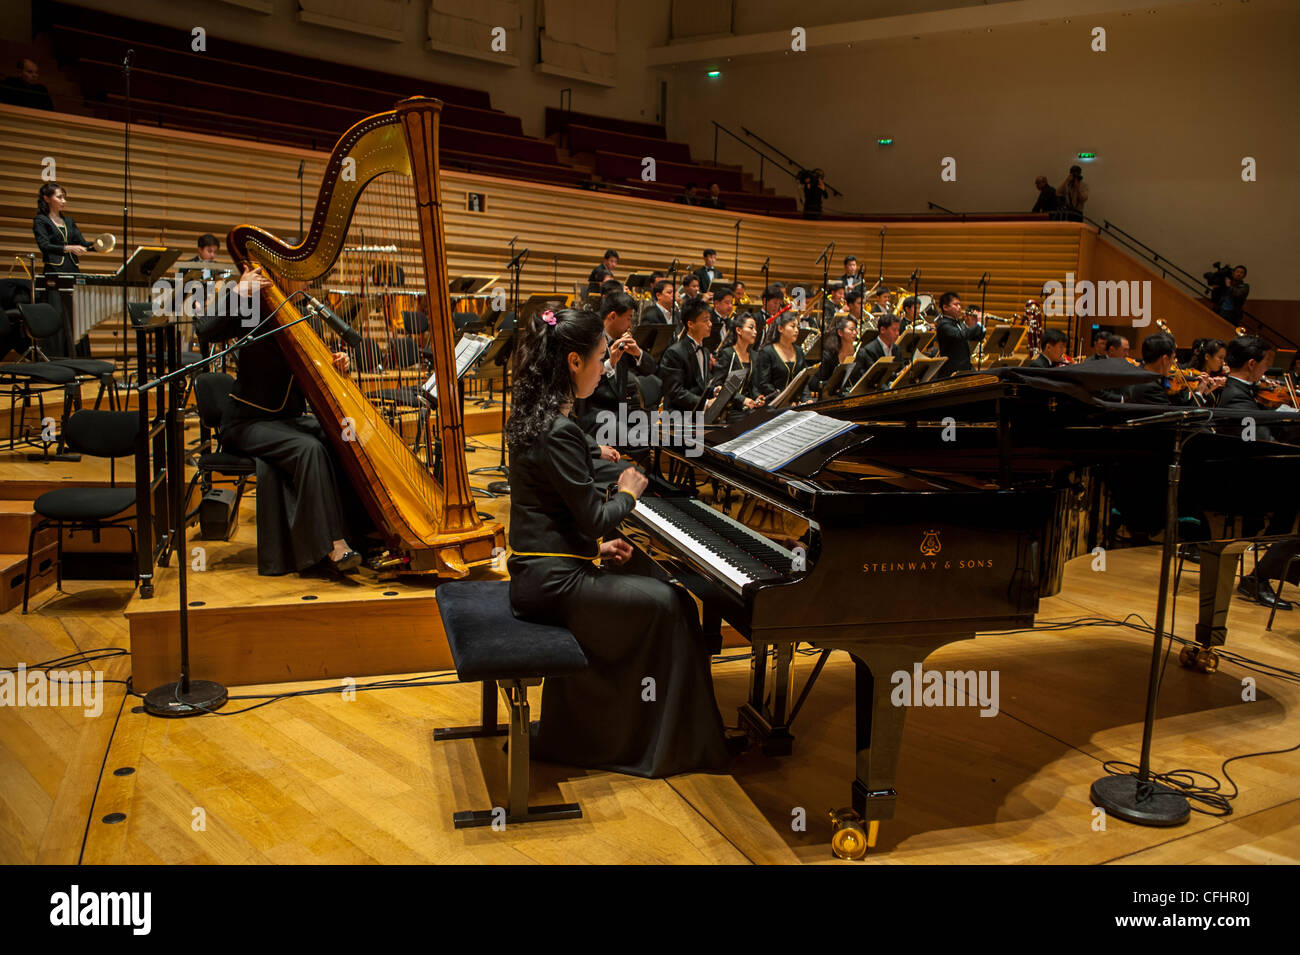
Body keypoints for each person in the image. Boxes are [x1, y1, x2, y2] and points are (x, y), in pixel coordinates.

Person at [504, 305, 733, 777]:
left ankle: (635, 733)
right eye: (599, 357)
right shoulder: (560, 429)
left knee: (651, 586)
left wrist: (595, 550)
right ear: (573, 362)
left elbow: (551, 514)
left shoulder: (535, 415)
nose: (603, 366)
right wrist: (628, 493)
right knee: (672, 604)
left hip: (539, 569)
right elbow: (592, 516)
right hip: (553, 584)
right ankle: (667, 745)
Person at [196, 268, 368, 576]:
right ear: (280, 274)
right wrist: (238, 291)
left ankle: (365, 537)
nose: (307, 279)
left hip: (286, 419)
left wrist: (337, 364)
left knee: (346, 436)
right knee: (309, 449)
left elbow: (313, 369)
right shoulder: (253, 308)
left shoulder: (304, 314)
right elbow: (205, 329)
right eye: (299, 273)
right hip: (246, 423)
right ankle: (330, 545)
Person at [1217, 336, 1297, 610]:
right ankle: (1260, 576)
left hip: (1250, 473)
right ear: (1251, 364)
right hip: (1241, 482)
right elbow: (1258, 440)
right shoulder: (1236, 398)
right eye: (1265, 364)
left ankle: (1274, 568)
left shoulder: (1242, 392)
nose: (1266, 371)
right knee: (1294, 502)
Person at [574, 290, 657, 445]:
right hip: (596, 413)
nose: (630, 325)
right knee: (639, 440)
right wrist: (609, 364)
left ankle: (652, 469)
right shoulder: (590, 341)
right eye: (628, 318)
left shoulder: (622, 341)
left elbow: (651, 369)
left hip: (623, 410)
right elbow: (584, 387)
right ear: (612, 316)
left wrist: (638, 353)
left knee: (659, 434)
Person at [658, 298, 718, 412]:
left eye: (710, 320)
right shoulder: (674, 353)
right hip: (678, 414)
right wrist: (705, 403)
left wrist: (714, 390)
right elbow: (675, 392)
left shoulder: (705, 351)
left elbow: (702, 384)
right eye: (705, 320)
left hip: (697, 411)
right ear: (690, 324)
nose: (710, 324)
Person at [1121, 332, 1212, 404]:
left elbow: (1180, 405)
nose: (1174, 363)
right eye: (1173, 358)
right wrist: (1199, 393)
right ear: (1165, 359)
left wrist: (1202, 392)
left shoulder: (1145, 377)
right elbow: (1178, 419)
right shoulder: (1149, 388)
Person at [33, 182, 95, 275]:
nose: (64, 201)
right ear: (47, 199)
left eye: (64, 198)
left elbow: (83, 243)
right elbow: (44, 246)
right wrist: (69, 248)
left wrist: (98, 244)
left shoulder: (69, 221)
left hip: (73, 268)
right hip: (54, 269)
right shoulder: (40, 220)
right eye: (59, 197)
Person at [709, 313, 766, 416]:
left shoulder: (754, 355)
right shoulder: (728, 354)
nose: (755, 332)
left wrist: (757, 397)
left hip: (747, 408)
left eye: (756, 329)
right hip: (729, 409)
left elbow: (753, 386)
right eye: (751, 328)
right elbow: (719, 385)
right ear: (739, 330)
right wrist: (742, 399)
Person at [844, 313, 902, 394]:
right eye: (894, 330)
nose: (897, 334)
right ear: (882, 330)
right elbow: (872, 379)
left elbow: (899, 370)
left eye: (898, 330)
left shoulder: (897, 349)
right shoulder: (868, 351)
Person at [755, 311, 806, 401]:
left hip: (795, 403)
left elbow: (803, 381)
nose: (797, 330)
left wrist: (807, 399)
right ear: (780, 328)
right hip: (774, 403)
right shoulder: (767, 352)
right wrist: (784, 399)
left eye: (797, 327)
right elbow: (764, 384)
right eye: (793, 326)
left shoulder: (799, 351)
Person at [932, 291, 984, 378]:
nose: (959, 307)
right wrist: (978, 323)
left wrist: (982, 325)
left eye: (959, 304)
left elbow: (975, 337)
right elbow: (961, 335)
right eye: (956, 305)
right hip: (952, 371)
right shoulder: (944, 325)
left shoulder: (958, 323)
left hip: (964, 368)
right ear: (945, 307)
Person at [809, 315, 857, 397]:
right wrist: (832, 384)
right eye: (851, 330)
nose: (855, 333)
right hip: (832, 397)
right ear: (840, 332)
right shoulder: (829, 356)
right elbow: (814, 383)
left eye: (856, 330)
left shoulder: (858, 352)